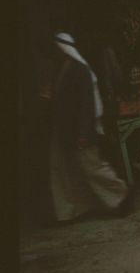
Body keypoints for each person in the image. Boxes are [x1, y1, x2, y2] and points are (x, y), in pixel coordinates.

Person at [49, 32, 131, 223]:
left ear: (63, 49)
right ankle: (74, 210)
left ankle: (121, 194)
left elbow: (87, 104)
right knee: (66, 172)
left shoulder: (79, 70)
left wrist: (84, 132)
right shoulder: (63, 68)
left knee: (93, 167)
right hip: (66, 130)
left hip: (80, 130)